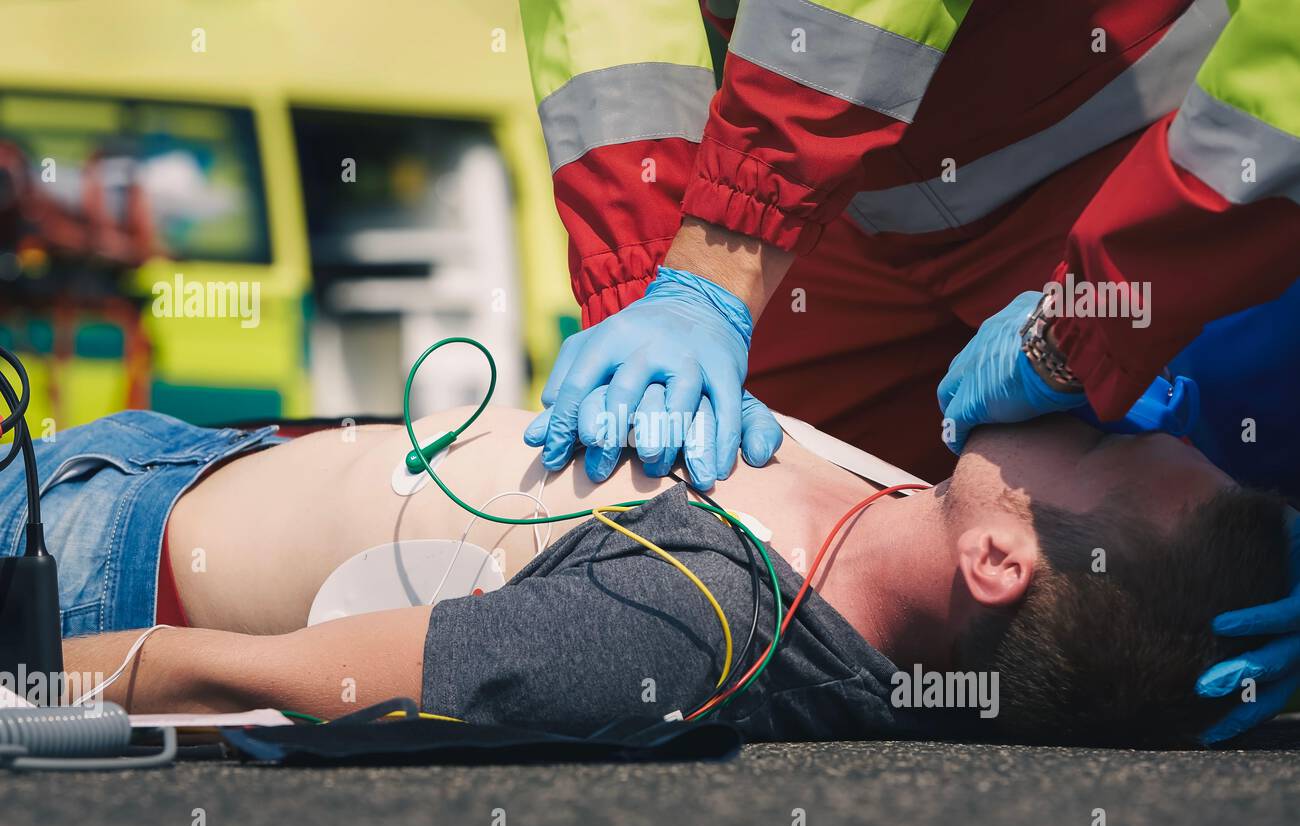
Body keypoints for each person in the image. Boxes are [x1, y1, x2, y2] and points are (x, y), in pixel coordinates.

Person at [517, 0, 1300, 742]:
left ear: (998, 561)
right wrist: (657, 284)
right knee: (703, 505)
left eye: (1107, 446)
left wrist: (1103, 312)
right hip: (847, 201)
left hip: (1151, 183)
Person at [8, 407, 1288, 746]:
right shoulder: (912, 507)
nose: (1103, 402)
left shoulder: (691, 622)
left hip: (84, 562)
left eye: (1110, 440)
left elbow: (241, 687)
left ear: (1000, 560)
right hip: (149, 463)